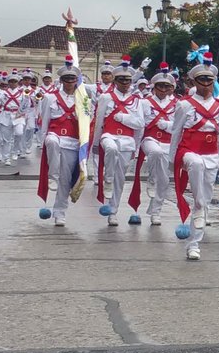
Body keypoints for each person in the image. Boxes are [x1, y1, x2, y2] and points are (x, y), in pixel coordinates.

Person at [168, 57, 219, 261]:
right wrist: (172, 160)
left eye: (209, 80)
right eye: (201, 80)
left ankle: (194, 243)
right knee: (196, 170)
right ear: (194, 83)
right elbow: (176, 132)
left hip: (211, 155)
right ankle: (197, 204)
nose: (205, 84)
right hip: (189, 150)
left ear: (213, 82)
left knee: (204, 201)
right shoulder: (184, 105)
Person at [91, 56, 145, 226]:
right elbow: (99, 120)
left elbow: (140, 124)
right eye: (121, 80)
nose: (124, 83)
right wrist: (95, 143)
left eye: (127, 80)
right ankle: (107, 178)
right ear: (115, 80)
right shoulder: (106, 97)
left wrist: (123, 118)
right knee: (111, 149)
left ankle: (113, 211)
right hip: (109, 135)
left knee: (120, 179)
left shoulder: (137, 101)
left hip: (127, 140)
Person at [36, 57, 87, 226]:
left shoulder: (83, 99)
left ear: (76, 81)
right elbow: (45, 122)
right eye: (66, 79)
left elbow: (87, 123)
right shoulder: (50, 98)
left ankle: (60, 212)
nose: (69, 82)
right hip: (55, 134)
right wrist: (42, 140)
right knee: (51, 141)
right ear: (61, 80)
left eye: (72, 79)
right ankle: (52, 175)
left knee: (66, 181)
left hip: (72, 141)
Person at [130, 65, 177, 225]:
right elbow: (138, 124)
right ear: (154, 87)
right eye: (160, 86)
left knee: (164, 181)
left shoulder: (177, 104)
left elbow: (181, 127)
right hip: (149, 140)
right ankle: (150, 179)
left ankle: (155, 211)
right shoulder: (144, 103)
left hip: (168, 143)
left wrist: (168, 126)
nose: (163, 89)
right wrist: (134, 147)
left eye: (166, 86)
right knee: (155, 153)